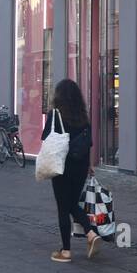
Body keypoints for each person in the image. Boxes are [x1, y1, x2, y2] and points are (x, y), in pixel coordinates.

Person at [41, 79, 101, 263]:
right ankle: (90, 233)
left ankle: (66, 251)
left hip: (61, 166)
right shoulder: (83, 116)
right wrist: (90, 164)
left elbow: (45, 138)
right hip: (81, 166)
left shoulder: (55, 115)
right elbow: (89, 143)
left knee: (63, 206)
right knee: (73, 203)